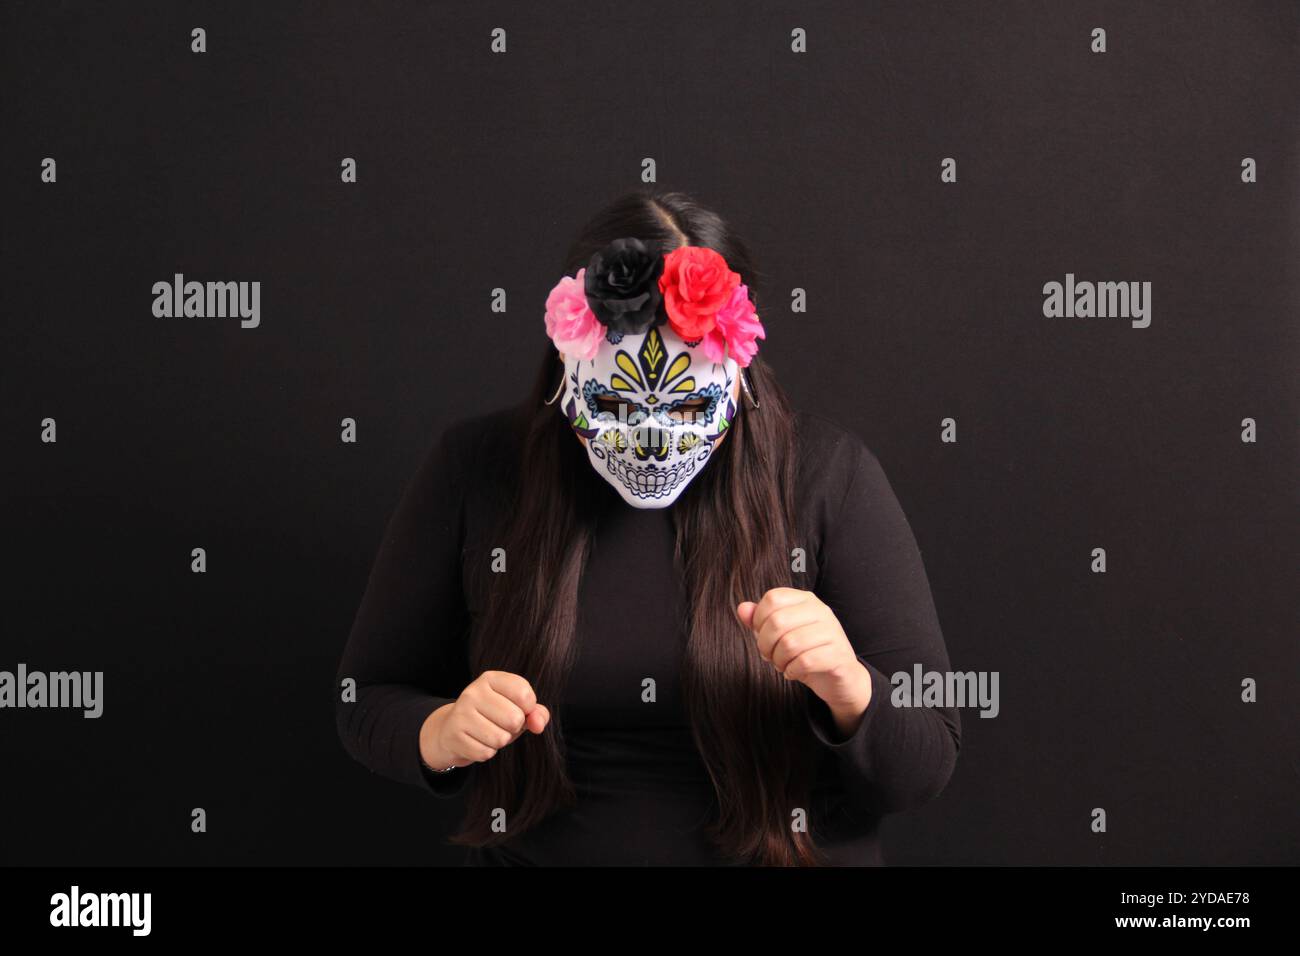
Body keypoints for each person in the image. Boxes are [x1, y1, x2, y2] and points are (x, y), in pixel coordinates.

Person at [335, 189, 960, 866]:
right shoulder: (479, 468)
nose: (654, 441)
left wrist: (848, 686)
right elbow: (364, 699)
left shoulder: (828, 474)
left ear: (739, 372)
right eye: (615, 399)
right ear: (566, 368)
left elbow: (924, 766)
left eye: (687, 403)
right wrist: (441, 731)